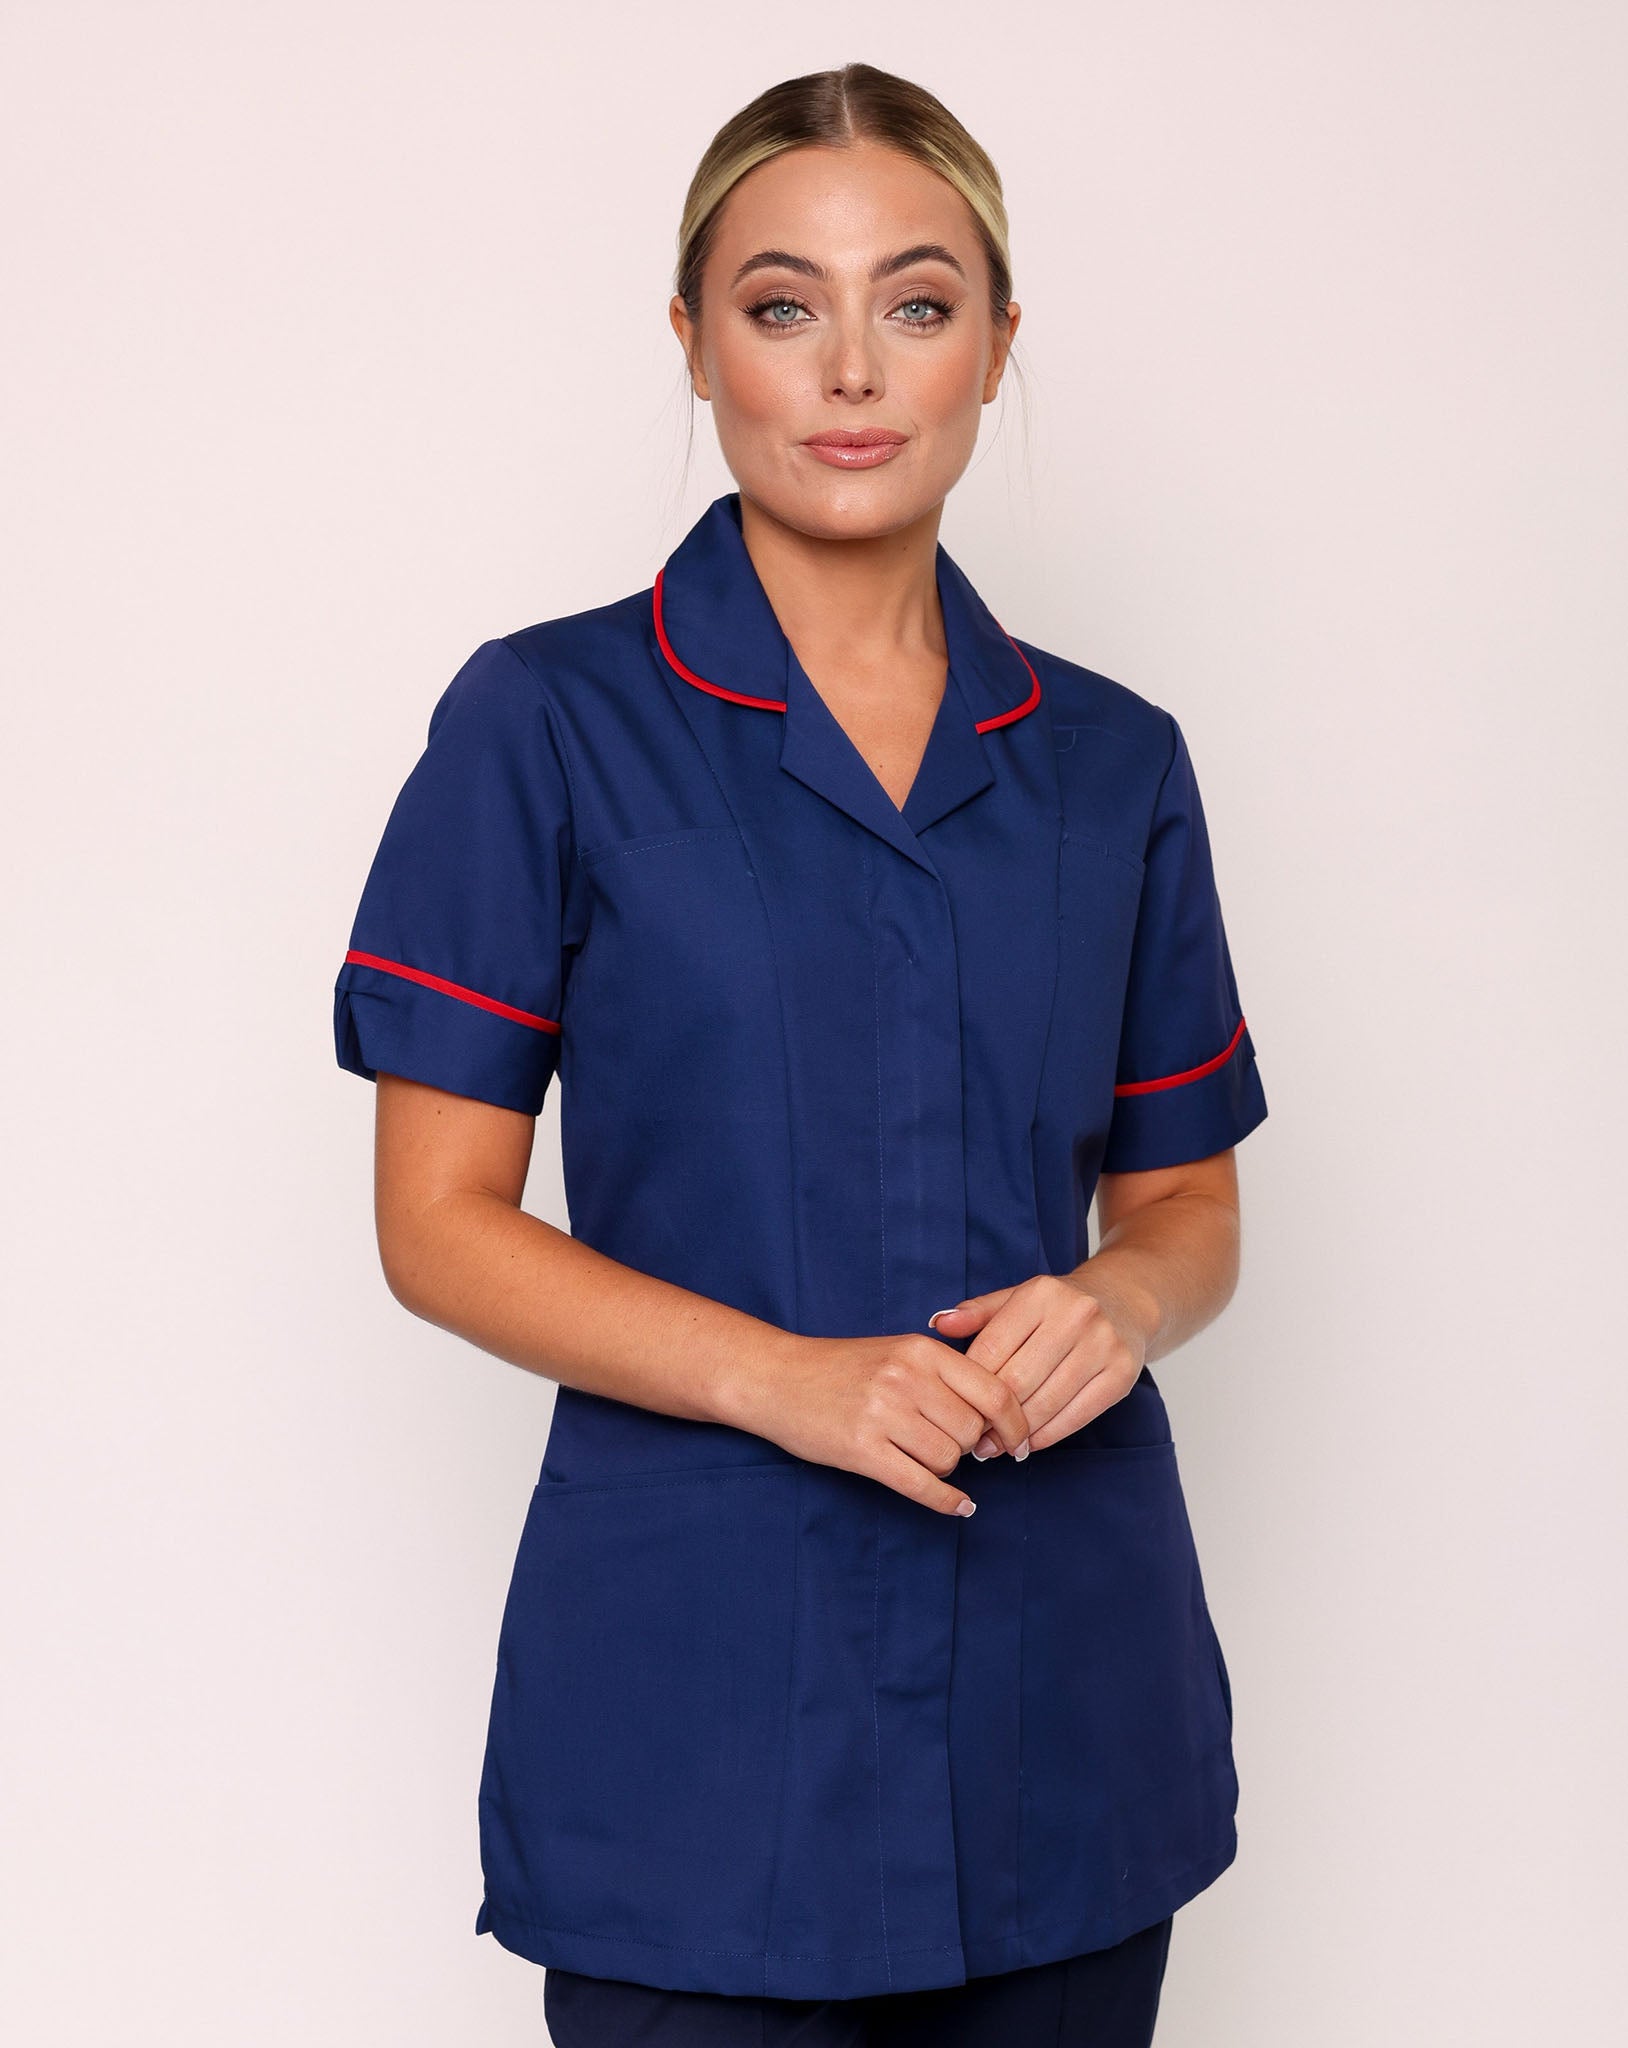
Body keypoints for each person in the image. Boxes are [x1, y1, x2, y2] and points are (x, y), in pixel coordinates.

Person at [333, 61, 1267, 2048]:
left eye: (917, 302)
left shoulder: (1115, 763)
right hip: (705, 1717)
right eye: (782, 305)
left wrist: (1119, 1302)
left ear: (996, 345)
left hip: (1064, 1708)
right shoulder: (546, 724)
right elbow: (436, 1224)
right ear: (693, 342)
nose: (851, 368)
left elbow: (1189, 1197)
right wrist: (789, 1381)